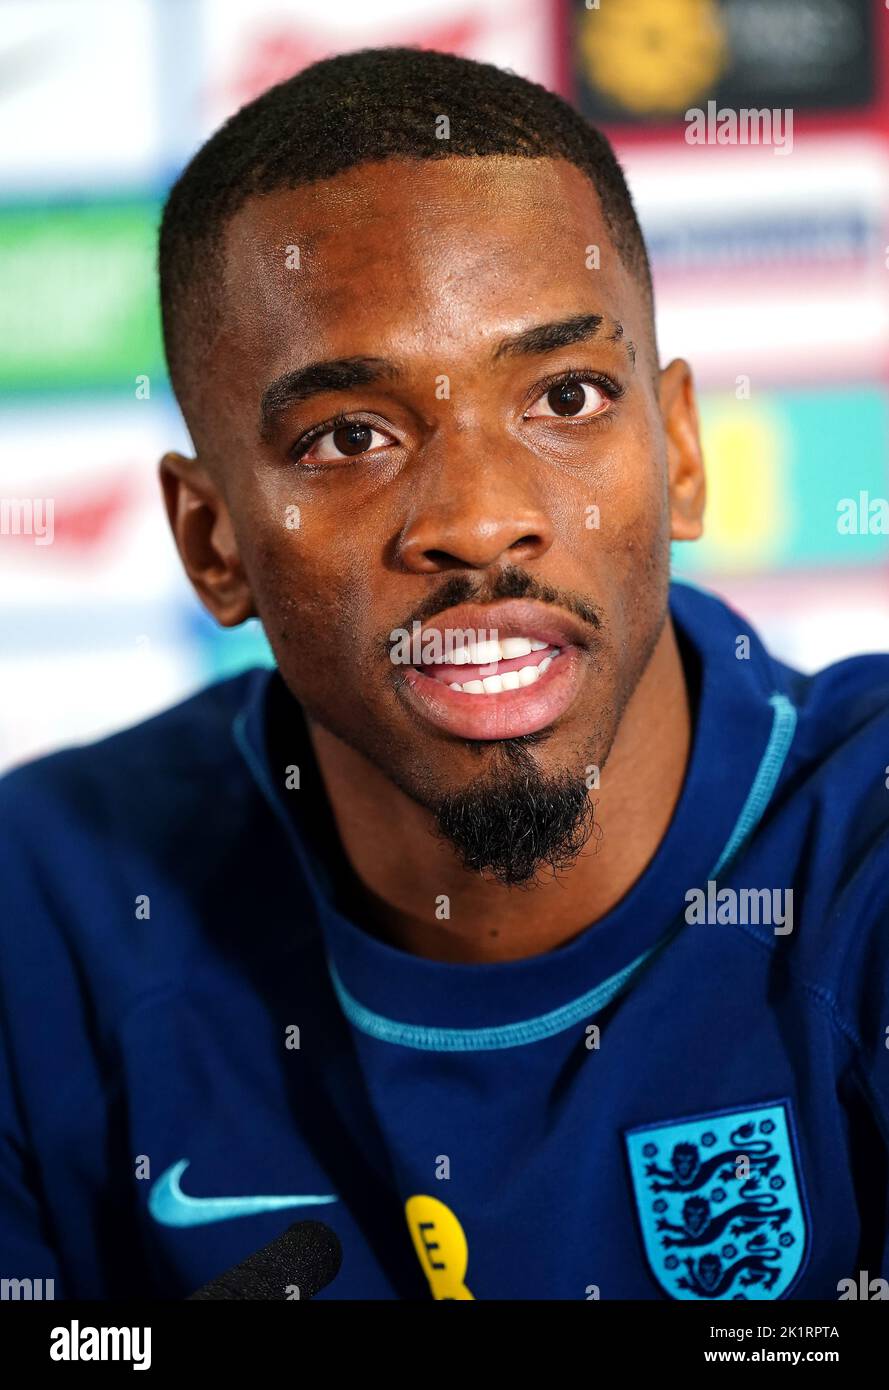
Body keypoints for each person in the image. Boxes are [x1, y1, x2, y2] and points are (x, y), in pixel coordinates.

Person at [1, 47, 887, 1303]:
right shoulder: (41, 908)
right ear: (214, 544)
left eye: (566, 396)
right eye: (349, 437)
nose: (477, 519)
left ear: (679, 450)